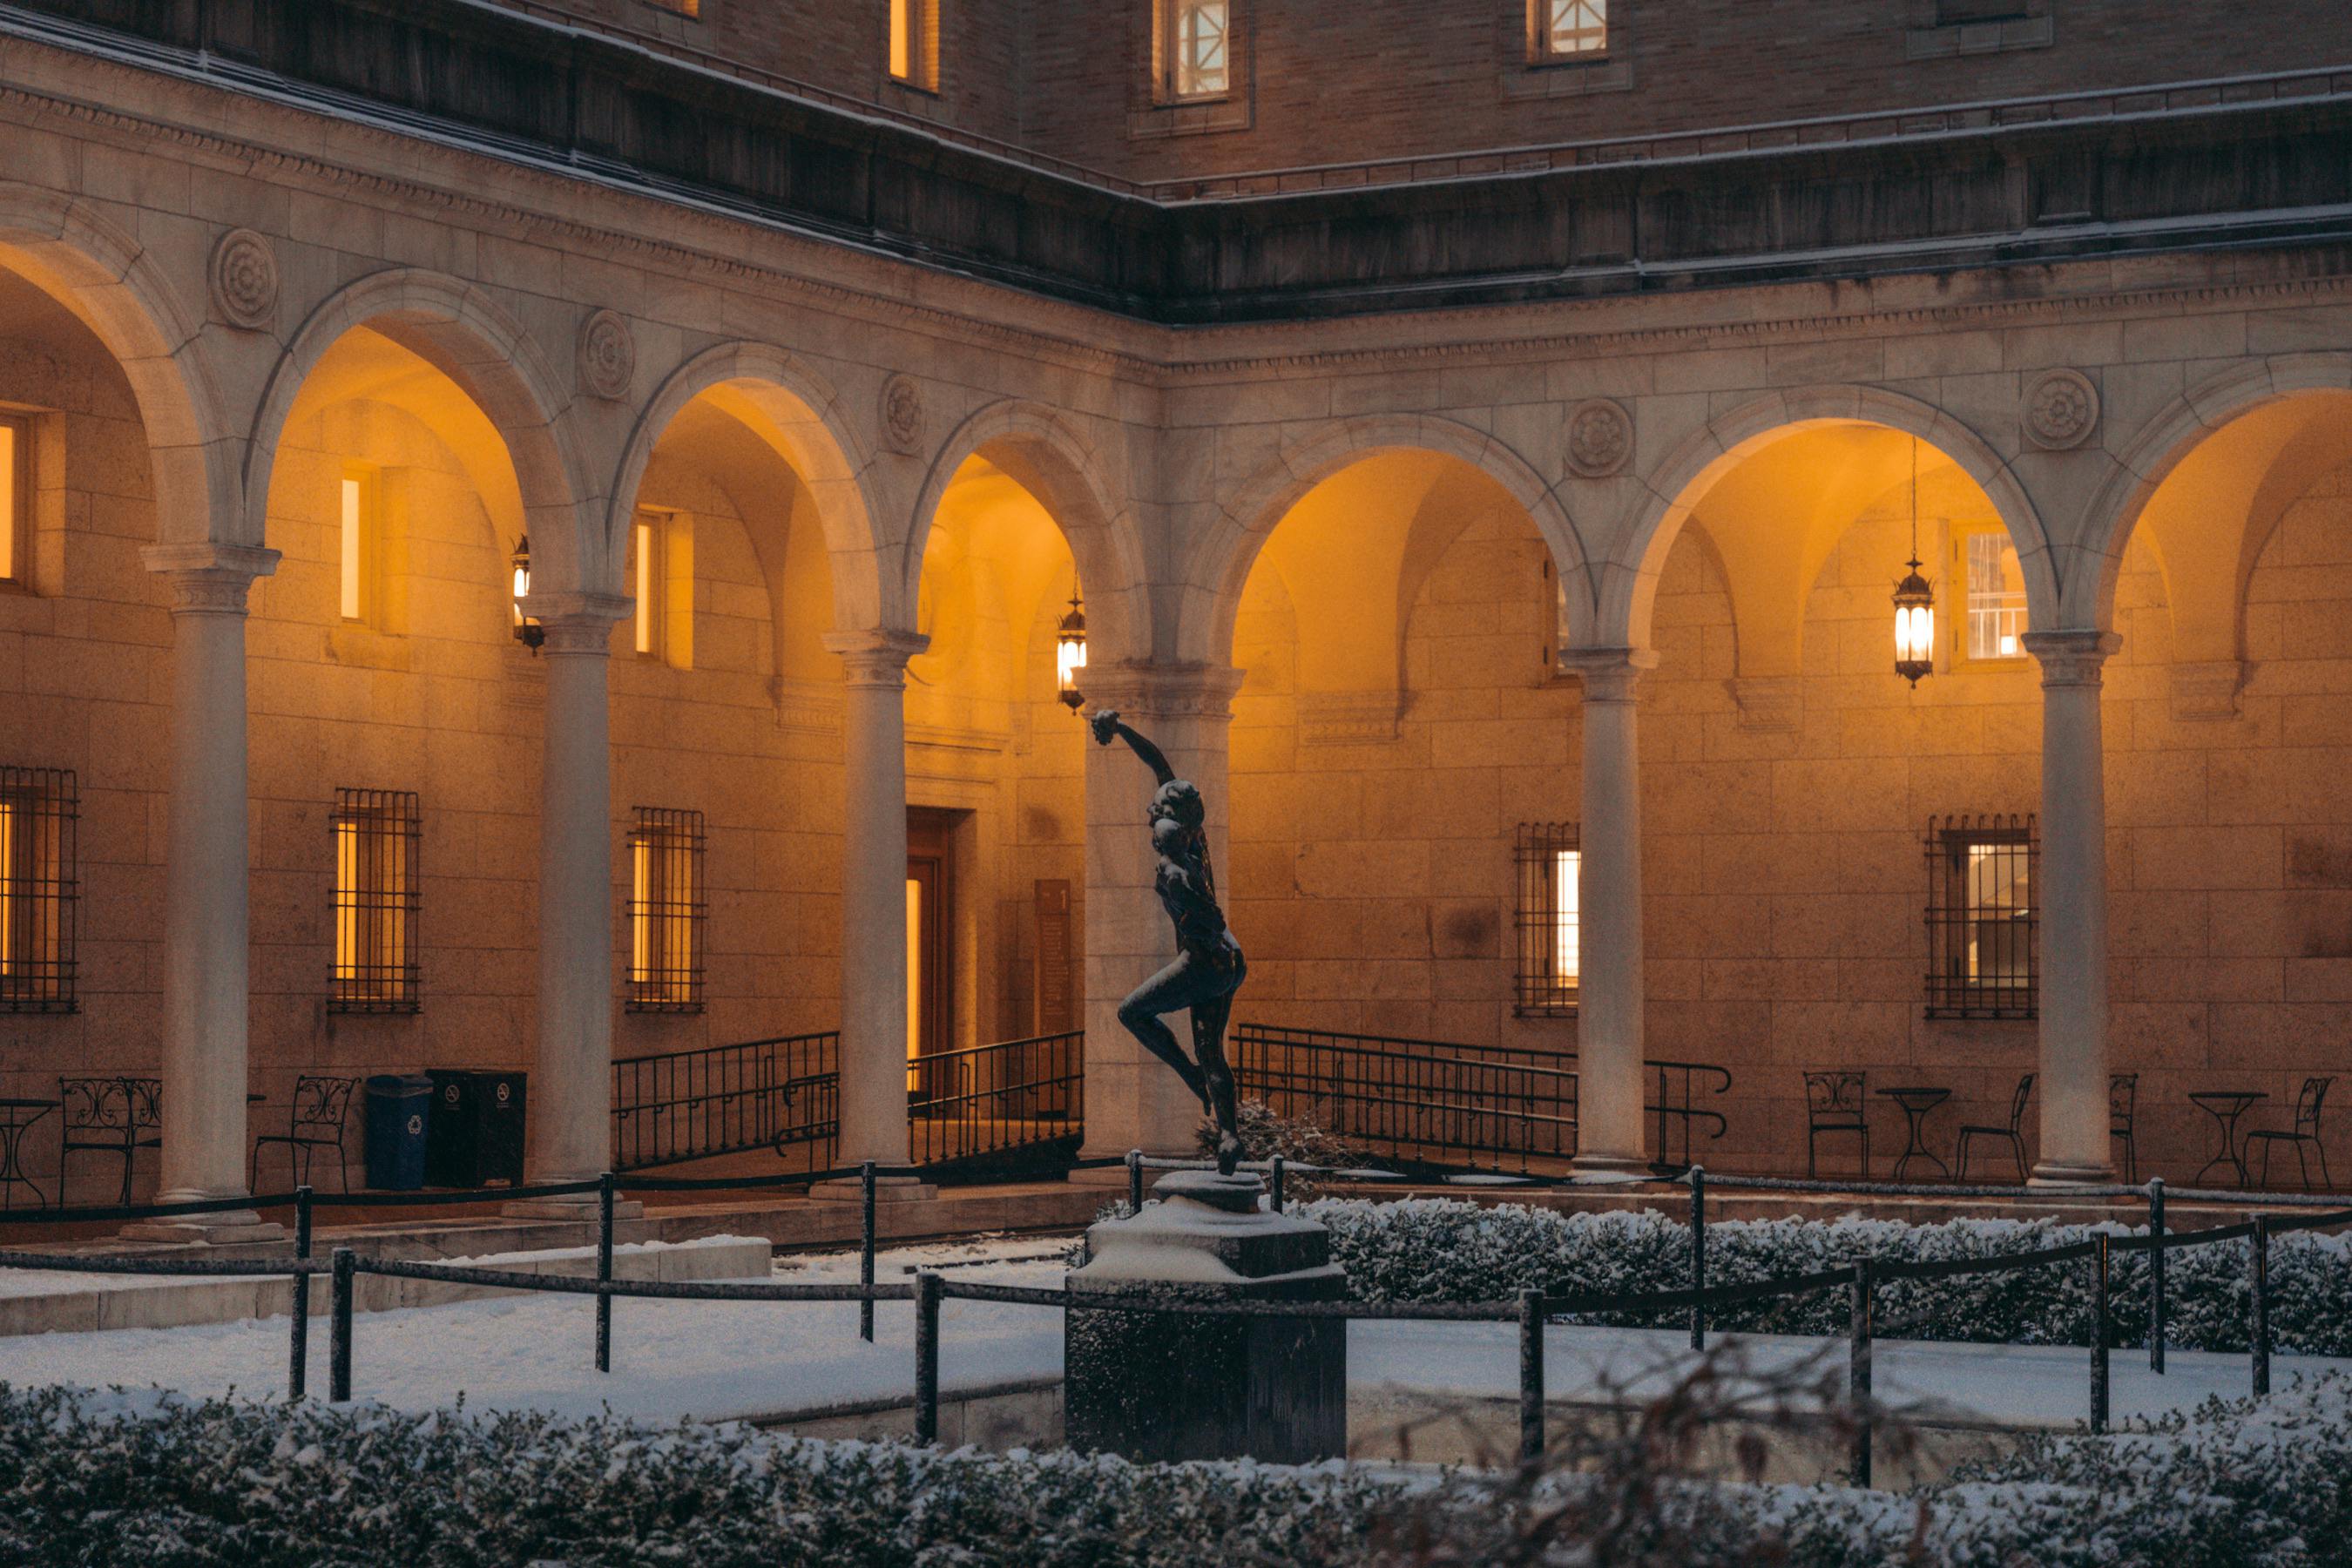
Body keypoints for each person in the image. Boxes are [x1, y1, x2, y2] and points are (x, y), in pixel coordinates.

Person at [1088, 707, 1248, 1175]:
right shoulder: (1197, 838)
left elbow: (1209, 917)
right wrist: (1121, 730)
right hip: (1230, 960)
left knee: (1132, 1012)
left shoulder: (1175, 870)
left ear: (1167, 830)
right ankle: (1230, 1134)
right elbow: (1159, 763)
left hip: (1204, 963)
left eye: (1155, 815)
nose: (1149, 815)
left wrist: (1196, 918)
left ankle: (1191, 1077)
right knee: (1211, 1048)